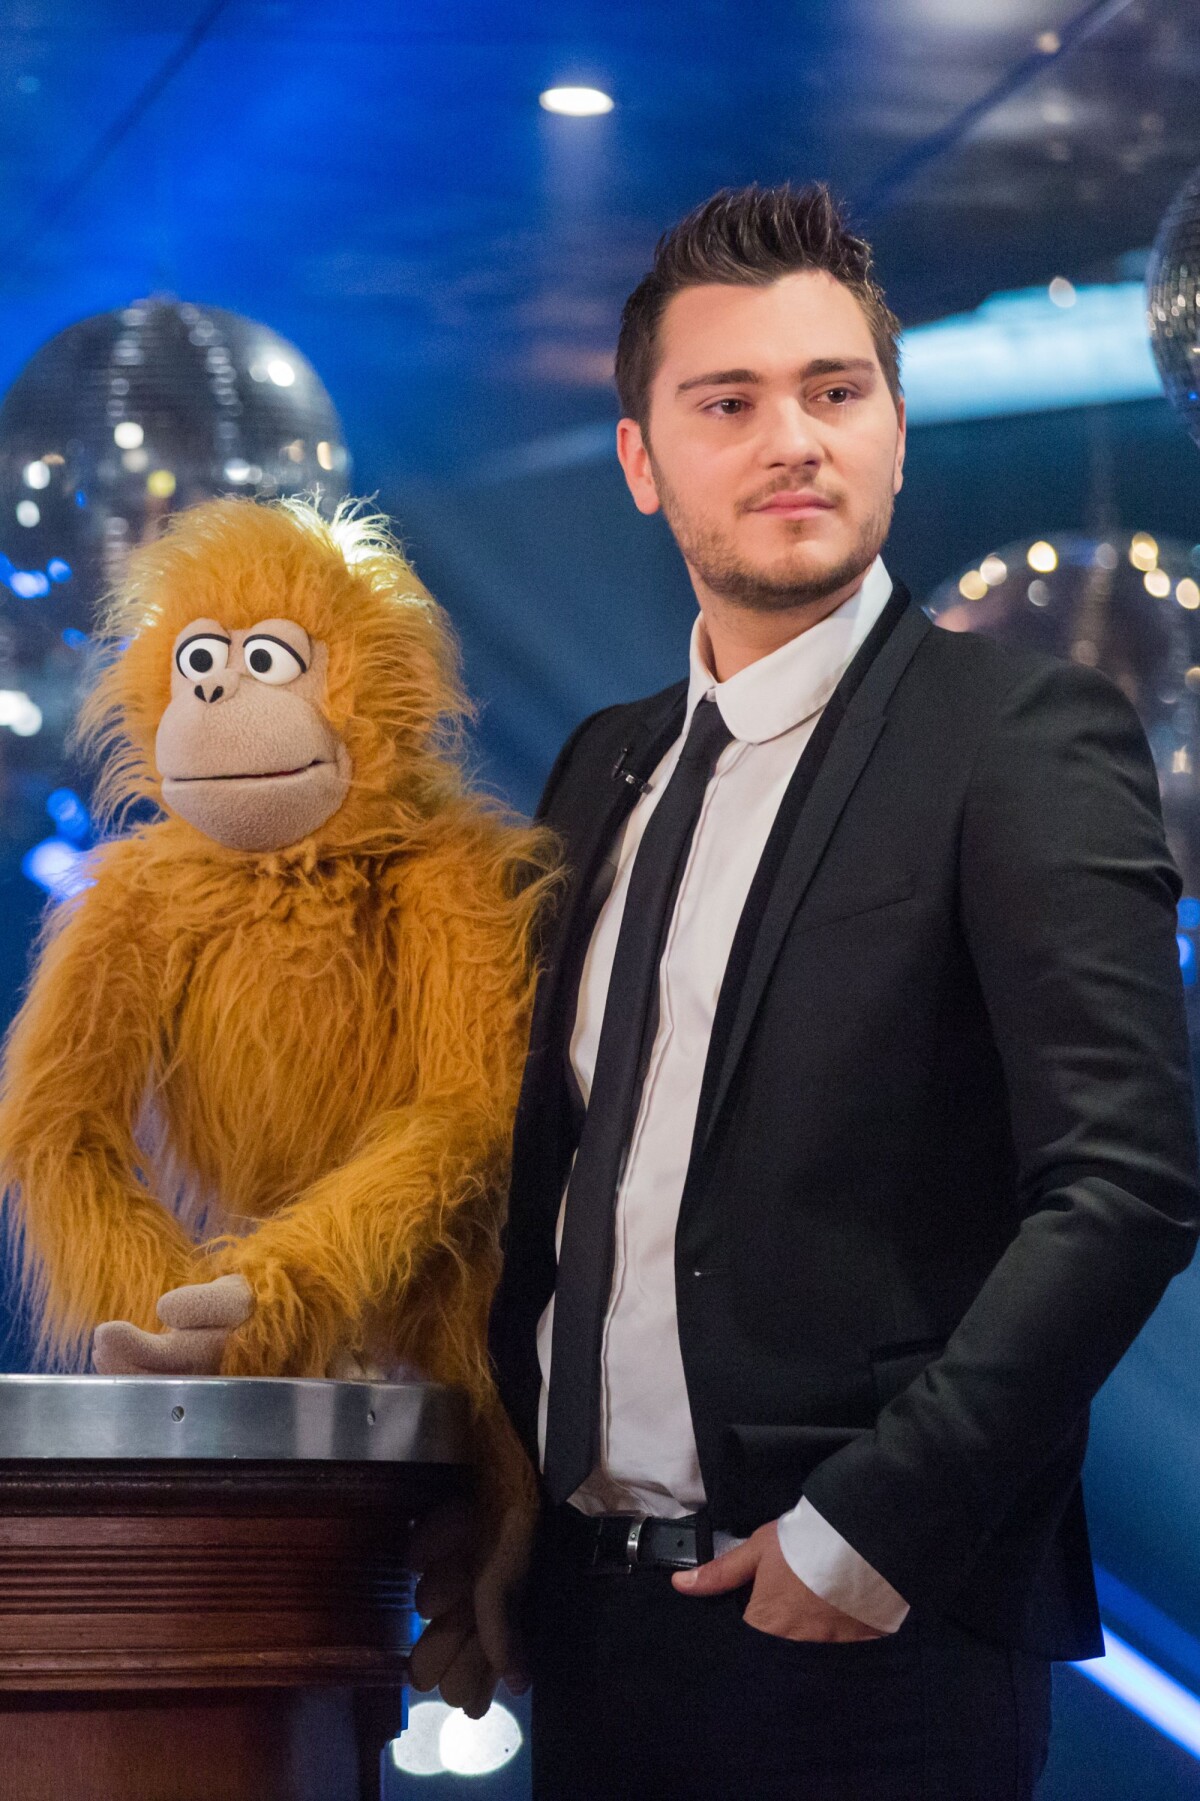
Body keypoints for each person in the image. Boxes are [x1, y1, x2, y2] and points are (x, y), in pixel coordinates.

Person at [409, 183, 1200, 1800]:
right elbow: (555, 1205)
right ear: (643, 462)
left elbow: (1128, 1181)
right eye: (730, 401)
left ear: (896, 433)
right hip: (586, 1618)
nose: (795, 439)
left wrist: (872, 1528)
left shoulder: (1021, 735)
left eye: (837, 392)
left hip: (867, 1632)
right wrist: (496, 1523)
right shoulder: (601, 764)